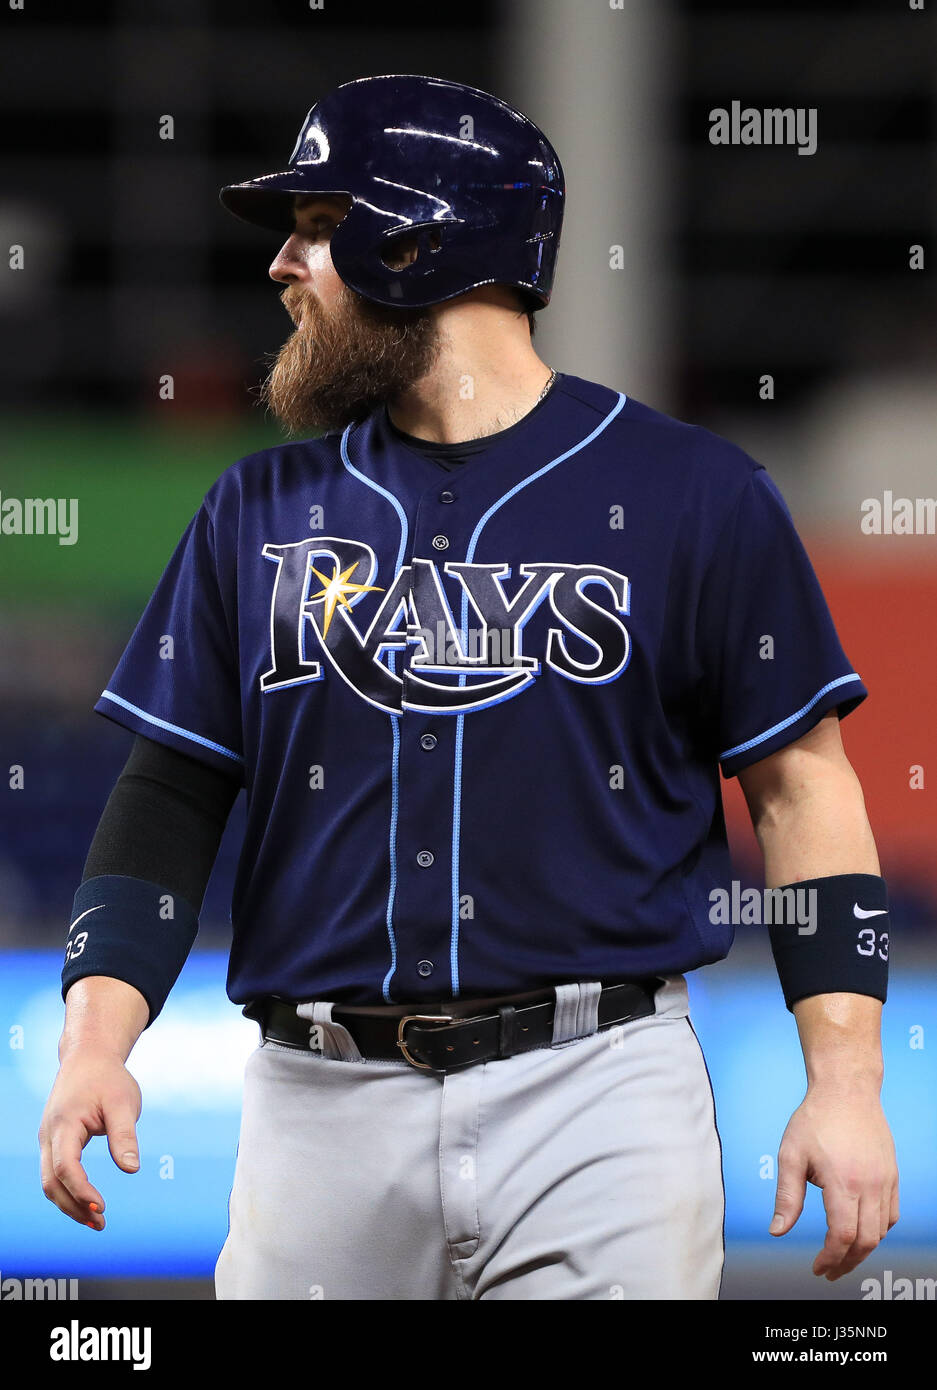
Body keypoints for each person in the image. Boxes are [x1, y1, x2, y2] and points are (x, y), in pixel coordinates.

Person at [39, 74, 898, 1300]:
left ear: (419, 243)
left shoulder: (692, 494)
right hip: (317, 1100)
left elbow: (803, 796)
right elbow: (168, 798)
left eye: (319, 226)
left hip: (599, 1098)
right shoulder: (255, 510)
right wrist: (94, 1045)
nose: (285, 265)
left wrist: (845, 1083)